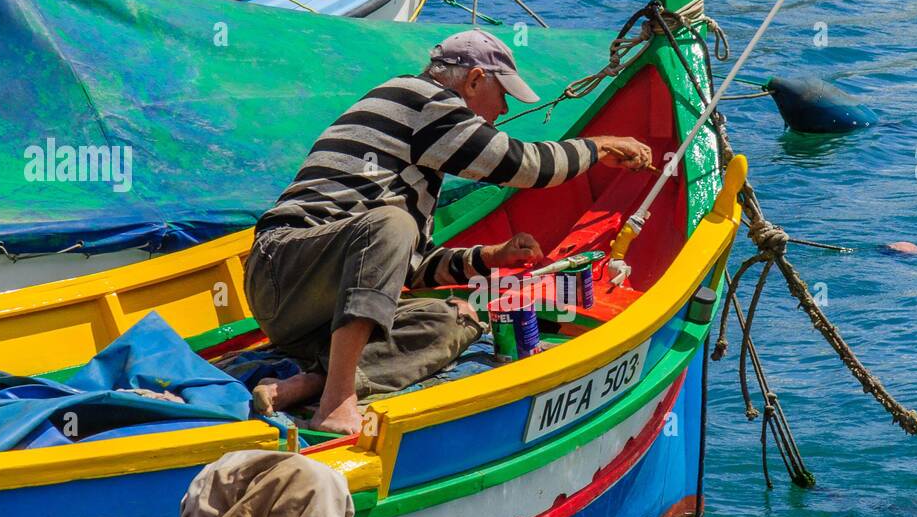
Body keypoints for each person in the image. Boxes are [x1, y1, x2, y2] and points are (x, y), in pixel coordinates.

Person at [245, 29, 654, 435]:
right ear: (475, 80)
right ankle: (334, 404)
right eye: (503, 94)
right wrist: (599, 146)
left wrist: (489, 257)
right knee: (392, 223)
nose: (504, 109)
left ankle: (307, 384)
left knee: (457, 317)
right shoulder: (425, 99)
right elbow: (521, 165)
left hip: (318, 305)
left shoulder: (421, 151)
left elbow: (412, 268)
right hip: (283, 268)